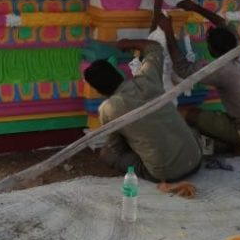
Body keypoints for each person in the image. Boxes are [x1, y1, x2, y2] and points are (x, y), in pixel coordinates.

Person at [156, 0, 240, 152]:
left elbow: (182, 68)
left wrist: (168, 32)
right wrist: (196, 8)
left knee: (183, 112)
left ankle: (238, 143)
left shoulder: (222, 70)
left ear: (212, 50)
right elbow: (225, 25)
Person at [83, 39, 202, 182]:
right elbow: (155, 48)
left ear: (98, 90)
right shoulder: (147, 79)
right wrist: (129, 43)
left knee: (107, 154)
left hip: (166, 173)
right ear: (118, 73)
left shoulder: (107, 109)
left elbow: (116, 147)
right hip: (195, 158)